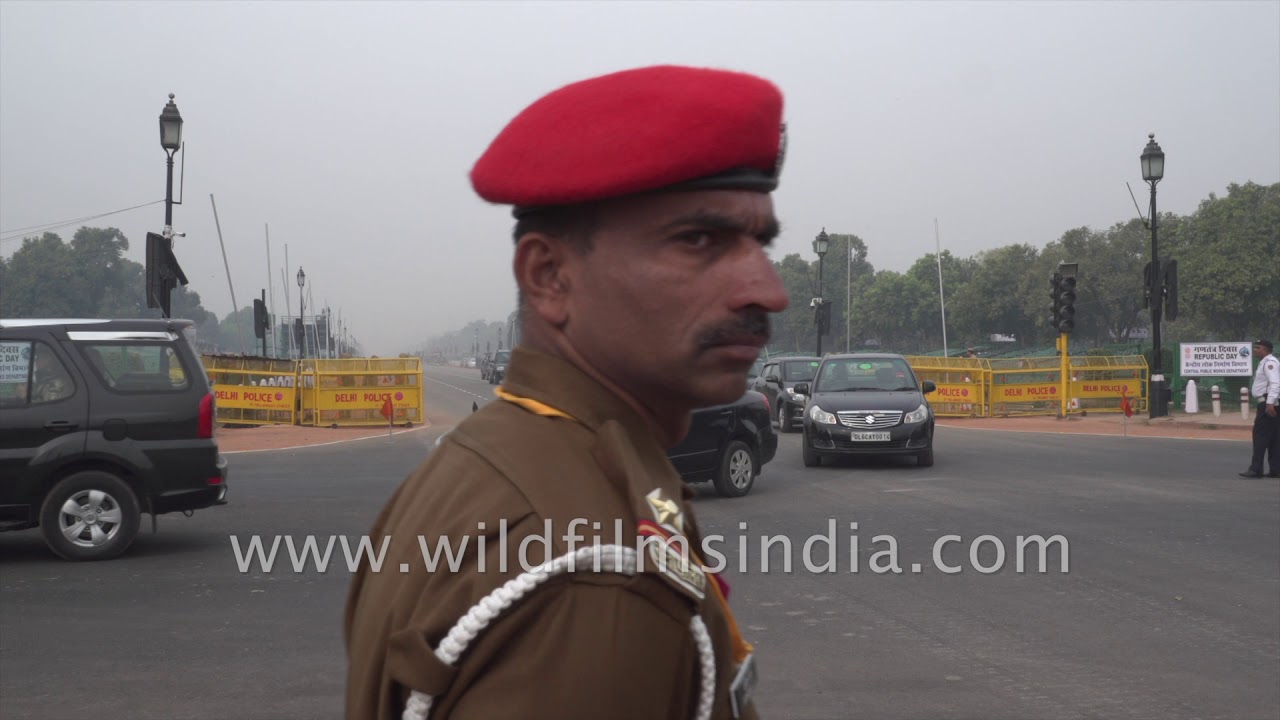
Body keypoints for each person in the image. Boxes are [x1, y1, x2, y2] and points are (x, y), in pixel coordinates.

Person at [344, 65, 788, 720]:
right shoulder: (596, 581)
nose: (768, 290)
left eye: (760, 244)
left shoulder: (488, 455)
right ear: (550, 276)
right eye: (700, 240)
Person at [1240, 339, 1279, 478]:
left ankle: (1256, 469)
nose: (1254, 350)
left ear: (1265, 350)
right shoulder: (1266, 362)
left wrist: (1270, 403)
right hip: (1272, 403)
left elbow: (1275, 383)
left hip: (1268, 403)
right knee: (1274, 438)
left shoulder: (1269, 363)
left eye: (1257, 347)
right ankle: (1276, 469)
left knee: (1260, 436)